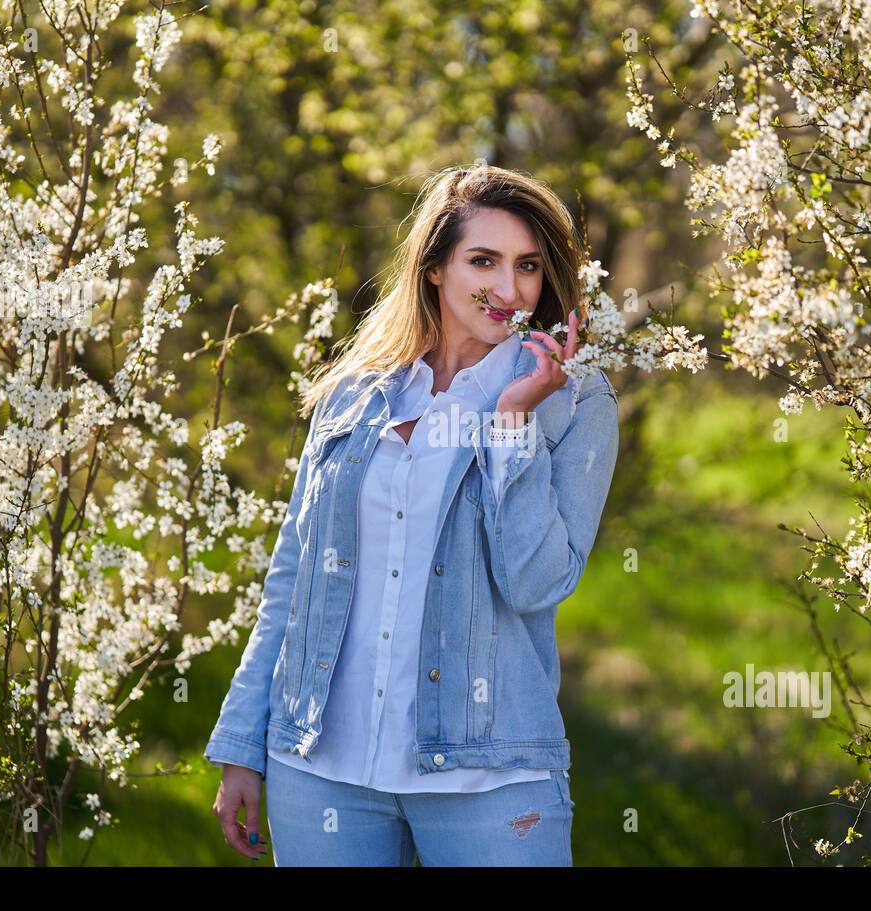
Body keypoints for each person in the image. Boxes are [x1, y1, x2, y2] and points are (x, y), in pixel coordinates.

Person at [207, 164, 619, 865]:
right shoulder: (357, 393)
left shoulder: (573, 403)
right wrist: (244, 743)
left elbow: (534, 582)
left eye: (527, 266)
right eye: (481, 260)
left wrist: (512, 424)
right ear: (434, 267)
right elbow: (291, 581)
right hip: (322, 768)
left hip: (489, 777)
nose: (508, 289)